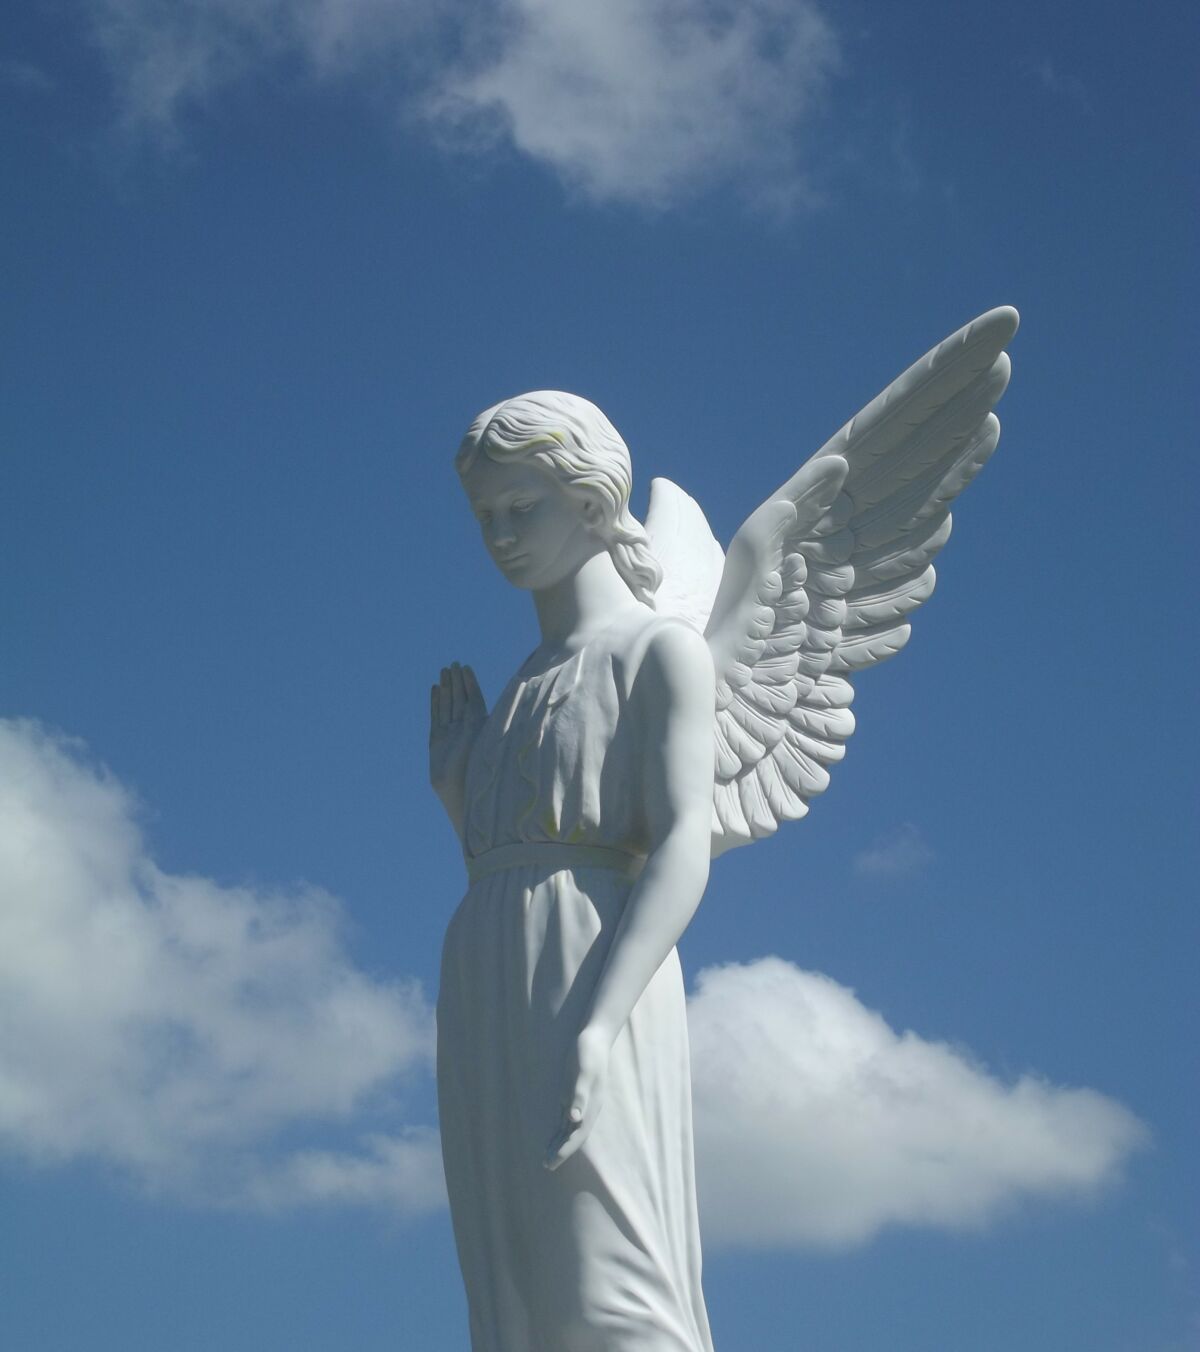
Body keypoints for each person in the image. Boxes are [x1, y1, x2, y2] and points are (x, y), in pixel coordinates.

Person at [430, 391, 717, 1351]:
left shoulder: (659, 651)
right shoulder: (520, 684)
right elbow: (516, 849)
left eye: (525, 508)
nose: (502, 535)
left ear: (593, 503)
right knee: (513, 1290)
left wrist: (600, 1021)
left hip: (596, 967)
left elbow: (683, 842)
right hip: (489, 974)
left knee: (610, 1271)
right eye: (486, 517)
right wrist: (459, 795)